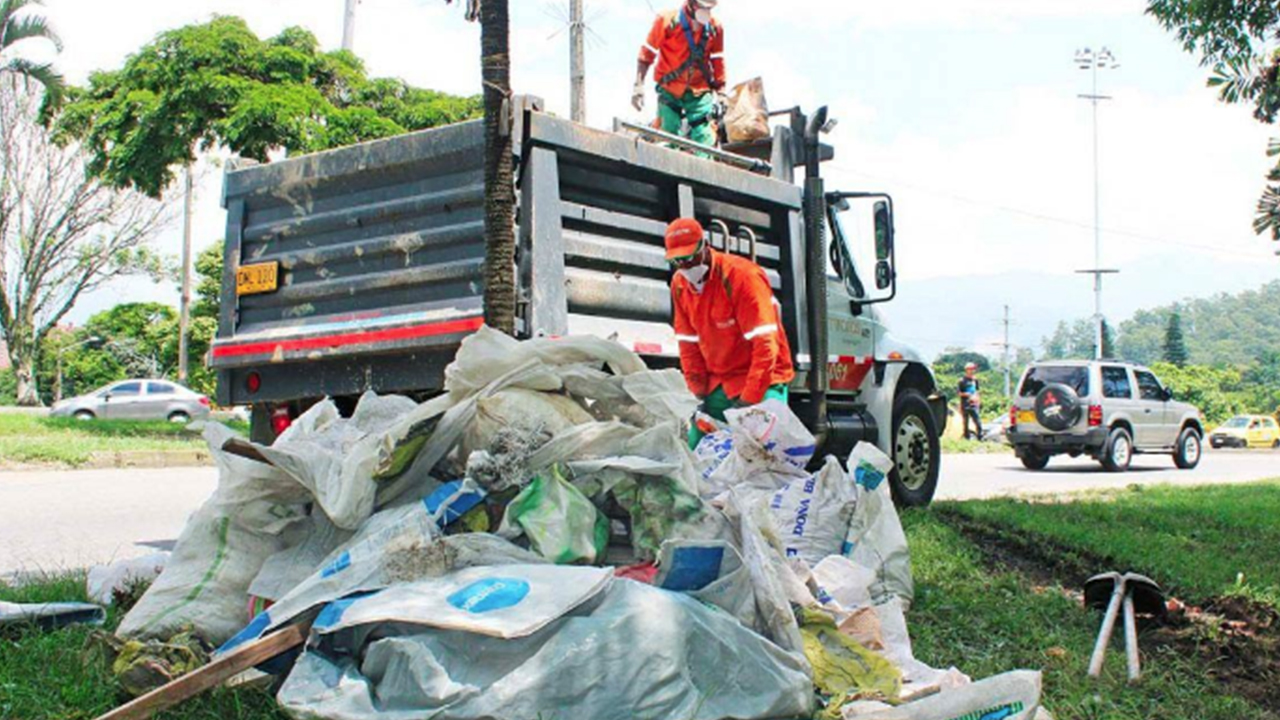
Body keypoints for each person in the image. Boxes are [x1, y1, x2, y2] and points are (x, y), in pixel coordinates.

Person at [666, 218, 795, 447]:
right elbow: (689, 346)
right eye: (677, 261)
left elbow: (766, 347)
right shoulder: (679, 285)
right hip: (720, 382)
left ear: (705, 247)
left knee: (762, 455)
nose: (685, 267)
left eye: (689, 258)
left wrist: (748, 401)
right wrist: (696, 396)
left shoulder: (742, 277)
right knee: (697, 451)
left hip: (762, 381)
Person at [632, 0, 726, 148]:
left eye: (709, 8)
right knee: (667, 136)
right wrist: (638, 86)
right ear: (691, 4)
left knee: (705, 137)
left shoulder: (715, 27)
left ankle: (701, 168)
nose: (705, 12)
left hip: (699, 91)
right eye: (702, 7)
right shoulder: (667, 21)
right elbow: (647, 54)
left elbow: (717, 60)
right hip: (670, 88)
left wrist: (721, 92)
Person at [958, 362, 983, 440]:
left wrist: (978, 400)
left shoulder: (975, 380)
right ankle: (966, 437)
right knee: (965, 422)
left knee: (977, 420)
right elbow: (959, 393)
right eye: (971, 369)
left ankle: (980, 436)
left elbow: (977, 391)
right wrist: (967, 394)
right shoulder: (962, 381)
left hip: (974, 404)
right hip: (965, 404)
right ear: (967, 370)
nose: (972, 371)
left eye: (973, 369)